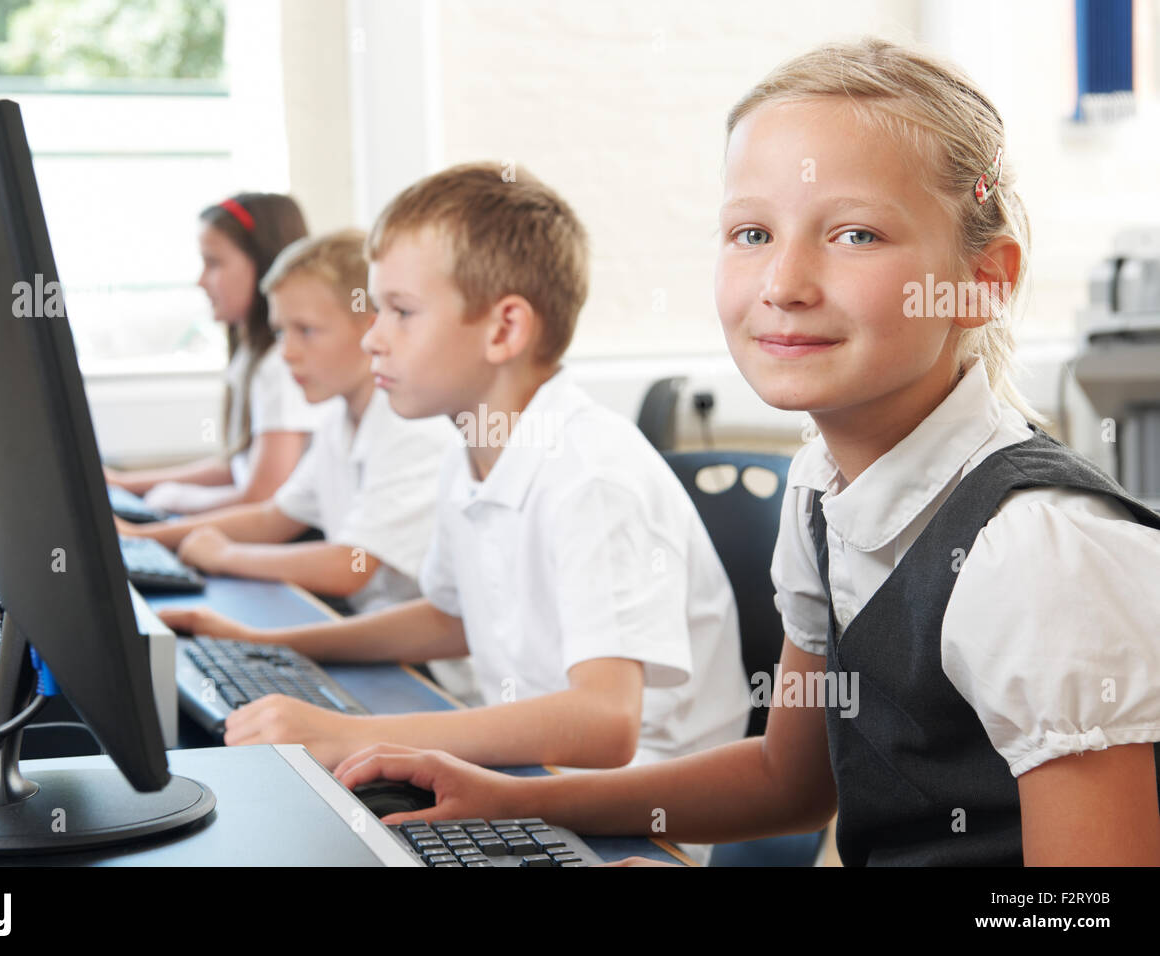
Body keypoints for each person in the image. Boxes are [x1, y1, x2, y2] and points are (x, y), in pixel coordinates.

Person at [330, 38, 1160, 867]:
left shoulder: (1038, 554)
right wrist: (514, 797)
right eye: (752, 231)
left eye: (857, 234)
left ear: (983, 280)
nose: (784, 282)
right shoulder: (822, 487)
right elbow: (787, 781)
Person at [158, 165, 753, 797]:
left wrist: (354, 734)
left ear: (503, 330)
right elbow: (452, 617)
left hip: (638, 803)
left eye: (400, 312)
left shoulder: (591, 476)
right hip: (536, 770)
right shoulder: (469, 450)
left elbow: (606, 723)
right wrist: (271, 642)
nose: (373, 338)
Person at [124, 229, 472, 695]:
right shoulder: (339, 421)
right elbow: (275, 517)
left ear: (371, 327)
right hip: (379, 641)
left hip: (433, 676)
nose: (287, 352)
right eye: (282, 331)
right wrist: (143, 540)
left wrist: (227, 555)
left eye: (305, 330)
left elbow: (349, 567)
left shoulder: (411, 428)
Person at [105, 193, 319, 514]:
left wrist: (178, 501)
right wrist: (127, 483)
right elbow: (238, 466)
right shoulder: (253, 356)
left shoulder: (282, 364)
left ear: (264, 265)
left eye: (214, 263)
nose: (201, 281)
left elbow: (264, 494)